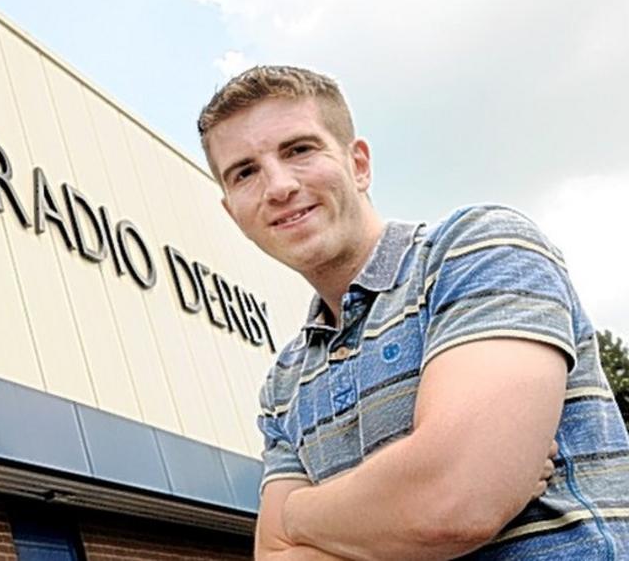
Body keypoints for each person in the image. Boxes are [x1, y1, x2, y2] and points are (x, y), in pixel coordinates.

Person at [197, 65, 629, 560]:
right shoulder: (285, 384)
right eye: (245, 172)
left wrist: (299, 515)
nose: (277, 186)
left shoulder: (475, 249)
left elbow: (454, 500)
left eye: (298, 149)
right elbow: (274, 557)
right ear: (233, 211)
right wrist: (408, 499)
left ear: (358, 164)